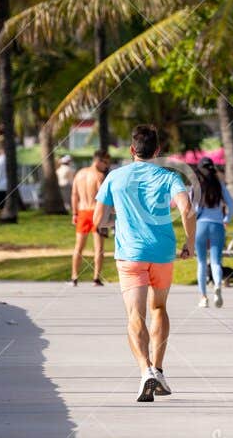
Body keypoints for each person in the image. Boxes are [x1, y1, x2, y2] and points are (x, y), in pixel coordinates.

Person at [95, 125, 195, 402]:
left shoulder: (115, 177)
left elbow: (97, 220)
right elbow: (186, 208)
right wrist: (190, 242)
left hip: (130, 255)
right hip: (162, 252)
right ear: (158, 151)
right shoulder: (168, 176)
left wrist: (119, 220)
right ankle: (159, 369)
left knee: (135, 316)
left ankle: (145, 371)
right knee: (159, 307)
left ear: (131, 150)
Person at [190, 158, 233, 308]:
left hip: (200, 226)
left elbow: (192, 209)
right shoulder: (219, 185)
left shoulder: (196, 187)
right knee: (216, 261)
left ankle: (203, 297)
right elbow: (231, 203)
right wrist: (226, 219)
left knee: (201, 262)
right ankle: (217, 286)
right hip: (217, 226)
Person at [70, 150, 112, 286]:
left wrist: (74, 213)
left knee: (78, 247)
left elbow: (74, 195)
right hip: (96, 212)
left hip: (82, 212)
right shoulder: (99, 177)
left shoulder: (79, 174)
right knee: (99, 248)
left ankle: (74, 277)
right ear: (98, 161)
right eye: (106, 163)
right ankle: (96, 278)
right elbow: (103, 198)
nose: (107, 166)